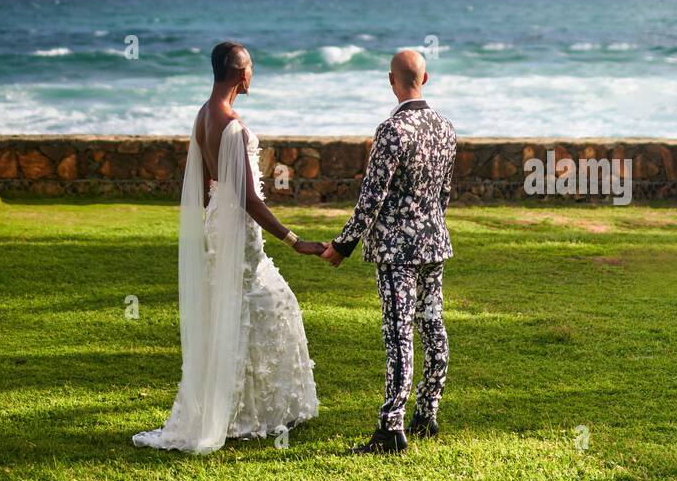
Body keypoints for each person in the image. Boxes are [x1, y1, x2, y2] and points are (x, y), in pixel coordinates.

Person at [132, 41, 323, 453]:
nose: (253, 75)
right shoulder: (233, 124)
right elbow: (251, 199)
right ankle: (249, 411)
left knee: (236, 305)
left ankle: (246, 407)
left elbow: (204, 186)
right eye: (251, 68)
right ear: (240, 74)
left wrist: (216, 223)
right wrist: (296, 241)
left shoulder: (203, 115)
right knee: (272, 301)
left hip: (219, 219)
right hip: (238, 222)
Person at [322, 48, 456, 454]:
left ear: (391, 81)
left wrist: (343, 244)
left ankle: (390, 429)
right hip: (434, 242)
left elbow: (371, 198)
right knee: (432, 324)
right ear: (426, 79)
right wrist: (430, 227)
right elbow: (443, 195)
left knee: (398, 332)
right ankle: (427, 410)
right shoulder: (446, 129)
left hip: (397, 250)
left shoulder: (392, 131)